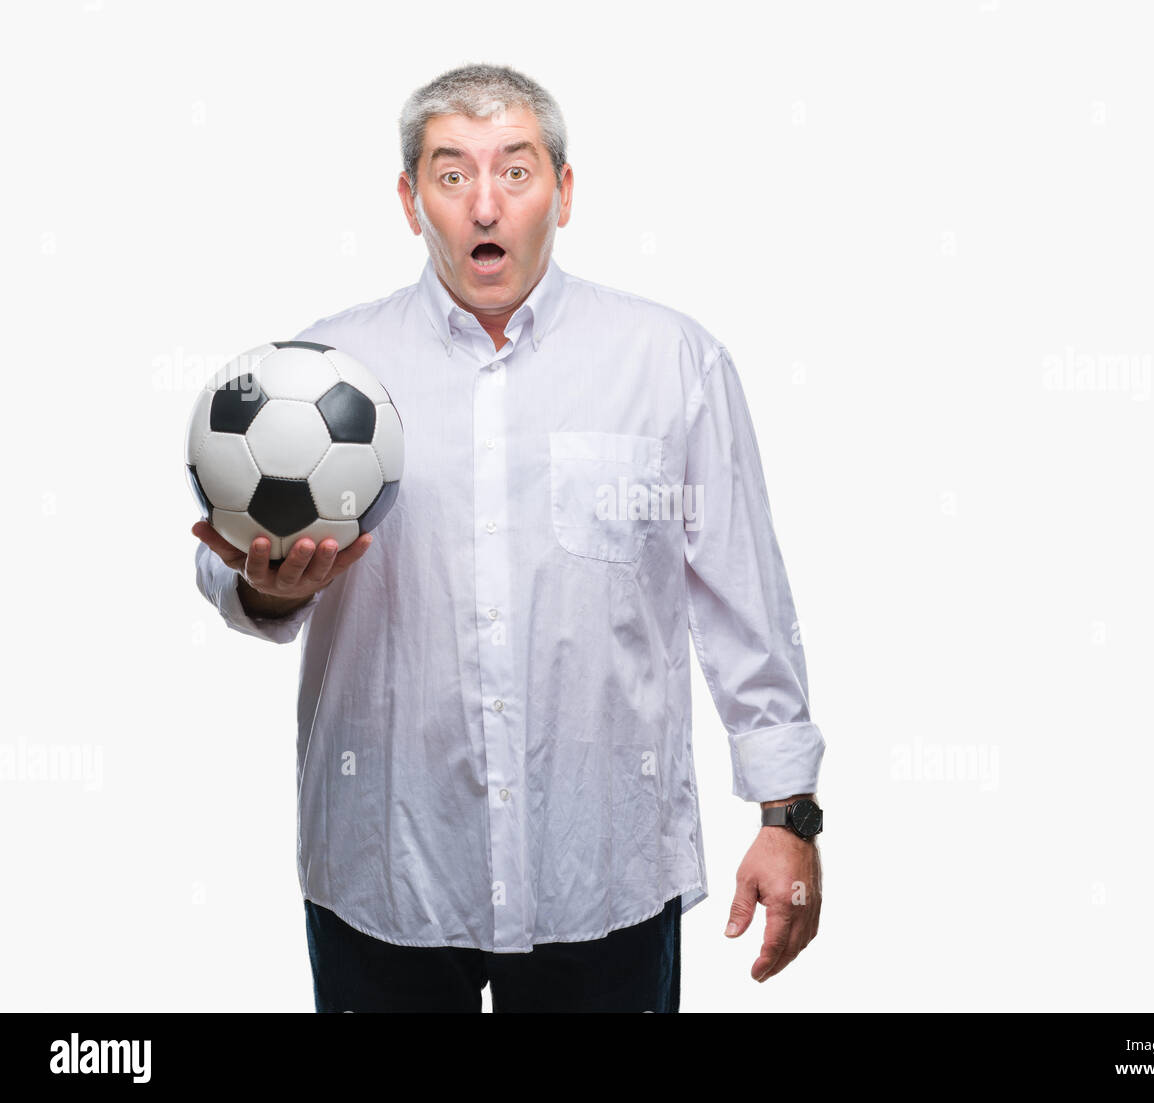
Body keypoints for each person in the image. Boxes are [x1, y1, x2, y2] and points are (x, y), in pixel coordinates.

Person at [192, 62, 825, 1013]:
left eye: (516, 171)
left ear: (563, 191)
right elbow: (221, 558)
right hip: (387, 874)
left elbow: (747, 602)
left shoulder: (671, 360)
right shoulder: (316, 372)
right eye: (451, 175)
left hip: (602, 873)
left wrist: (790, 815)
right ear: (411, 200)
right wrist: (267, 589)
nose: (485, 203)